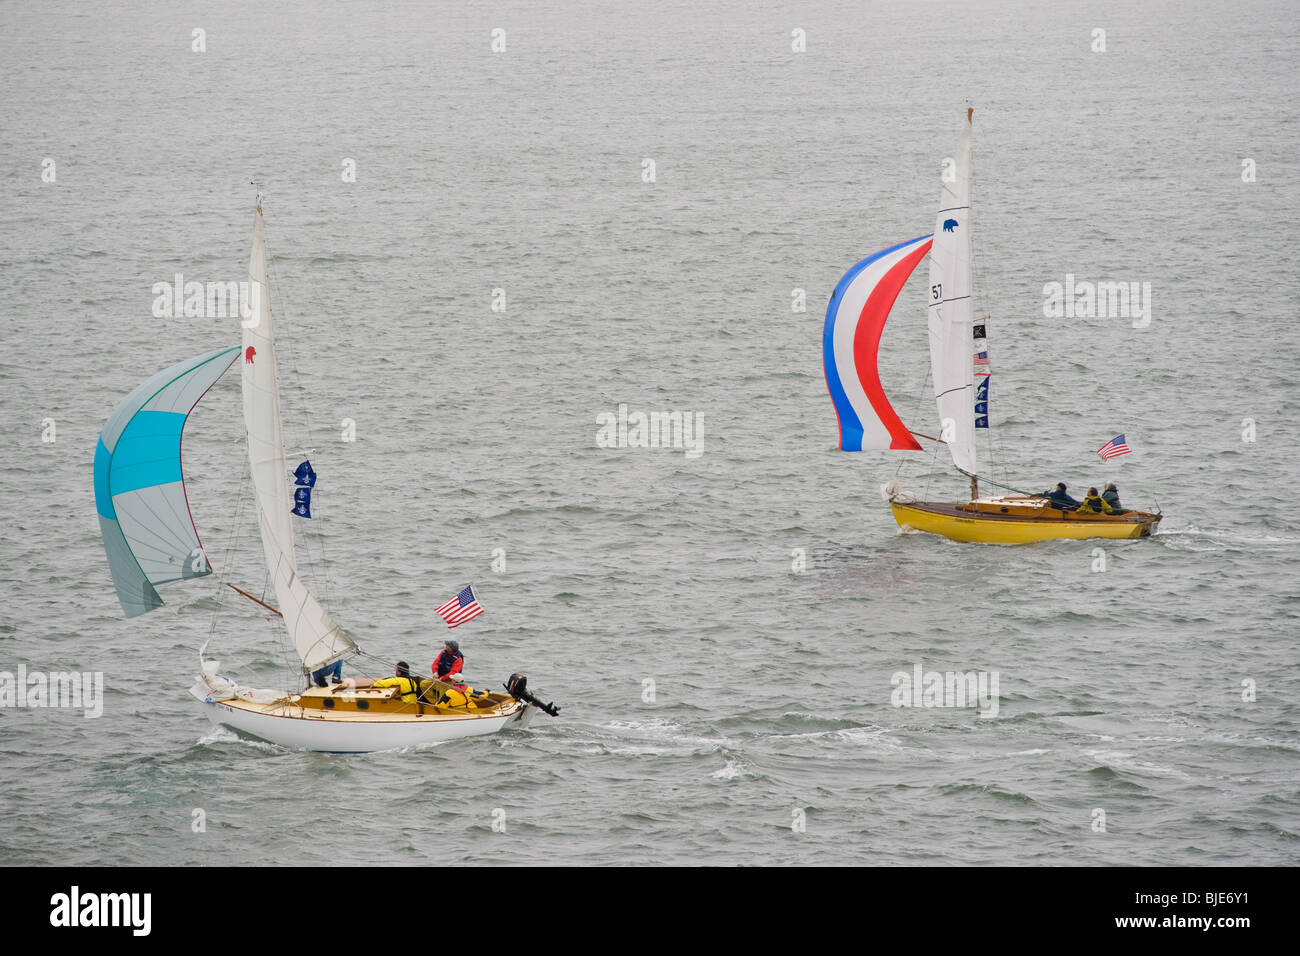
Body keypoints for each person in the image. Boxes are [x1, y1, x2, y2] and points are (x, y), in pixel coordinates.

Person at [335, 661, 425, 703]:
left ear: (400, 672)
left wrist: (374, 684)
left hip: (406, 705)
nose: (395, 672)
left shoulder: (399, 680)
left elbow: (386, 682)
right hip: (413, 703)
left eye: (396, 670)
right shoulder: (412, 681)